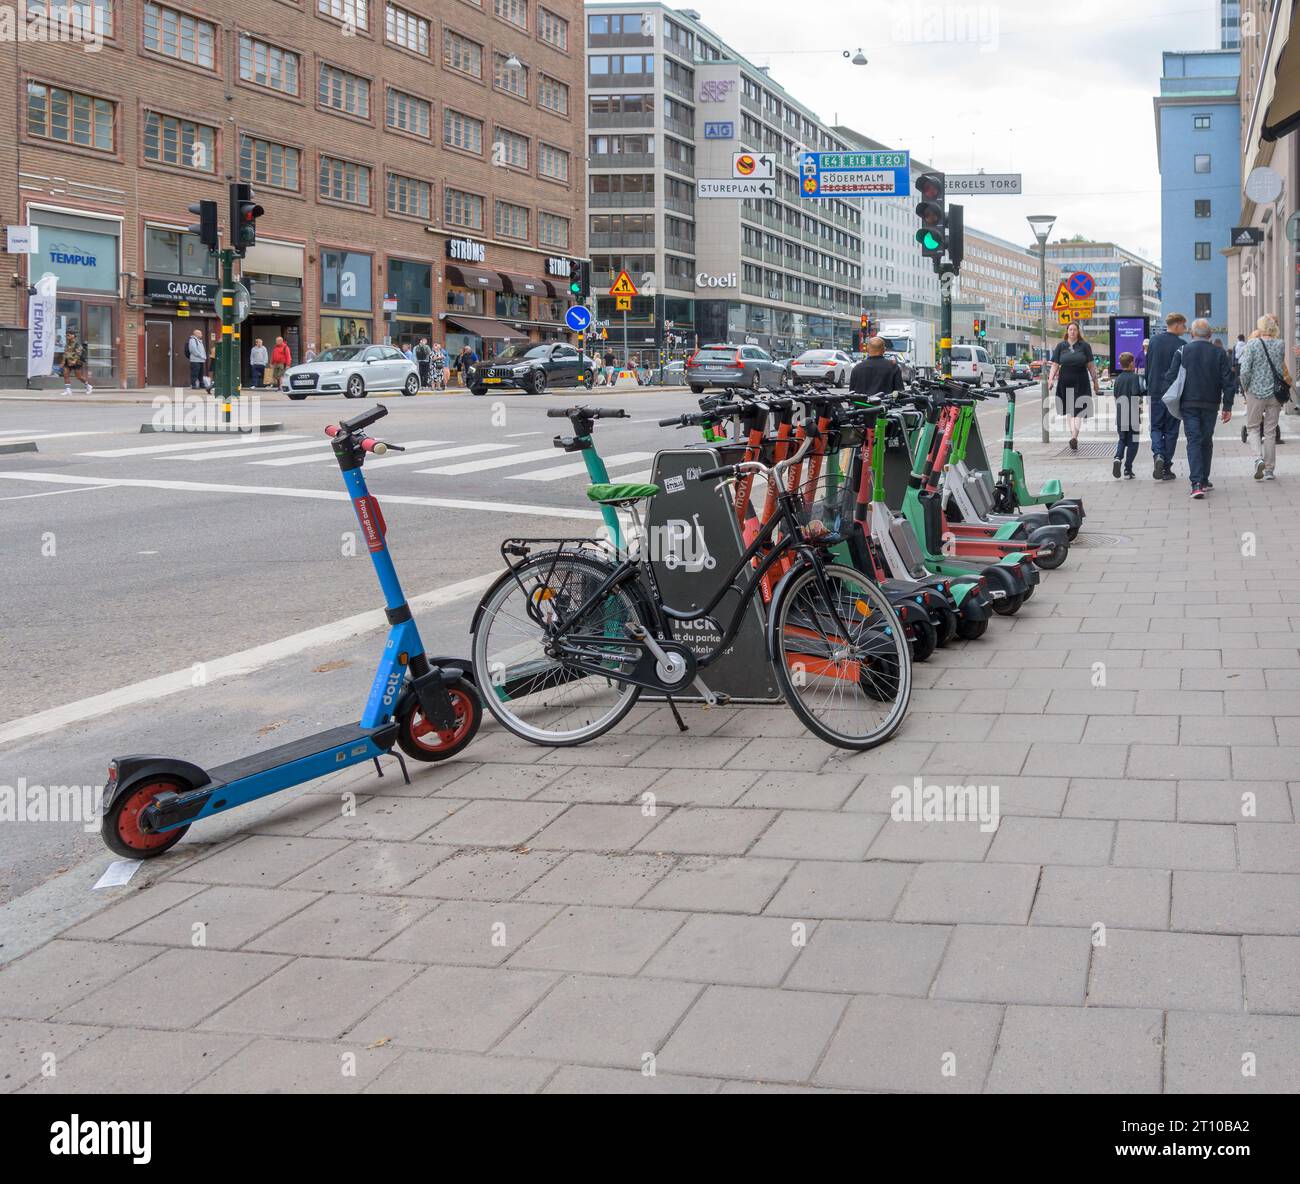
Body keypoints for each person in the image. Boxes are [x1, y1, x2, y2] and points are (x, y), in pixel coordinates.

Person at [1164, 317, 1234, 499]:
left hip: (1189, 403)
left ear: (1192, 333)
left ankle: (1196, 483)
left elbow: (1170, 376)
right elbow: (1228, 381)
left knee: (1193, 440)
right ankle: (1204, 479)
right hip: (1211, 404)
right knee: (1206, 439)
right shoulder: (1219, 353)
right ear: (1210, 334)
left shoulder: (1182, 351)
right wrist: (1227, 405)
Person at [1238, 313, 1292, 481]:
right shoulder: (1280, 344)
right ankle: (1269, 470)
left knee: (1253, 427)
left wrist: (1245, 388)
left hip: (1255, 392)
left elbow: (1245, 370)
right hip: (1275, 394)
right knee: (1270, 432)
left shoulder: (1253, 344)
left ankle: (1258, 458)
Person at [1146, 312, 1188, 481]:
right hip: (1174, 394)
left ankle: (1158, 455)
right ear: (1176, 324)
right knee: (1171, 431)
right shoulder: (1183, 345)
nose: (1185, 329)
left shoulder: (1154, 341)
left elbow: (1148, 366)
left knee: (1156, 427)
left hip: (1155, 390)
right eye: (1184, 325)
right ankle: (1166, 468)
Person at [1047, 321, 1099, 450]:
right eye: (1070, 329)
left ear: (1078, 332)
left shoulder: (1084, 346)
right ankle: (1073, 437)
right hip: (1065, 381)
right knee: (1070, 411)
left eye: (1075, 330)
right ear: (1067, 331)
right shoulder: (1061, 346)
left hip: (1081, 380)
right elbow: (1055, 364)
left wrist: (1095, 382)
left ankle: (1074, 437)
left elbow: (1091, 365)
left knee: (1078, 411)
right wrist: (1050, 379)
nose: (1072, 332)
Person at [1112, 351, 1144, 479]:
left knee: (1122, 439)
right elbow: (1136, 394)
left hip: (1121, 415)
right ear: (1131, 363)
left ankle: (1117, 458)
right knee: (1133, 442)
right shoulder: (1135, 377)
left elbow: (1115, 395)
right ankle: (1128, 469)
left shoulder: (1118, 379)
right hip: (1133, 415)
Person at [60, 331, 91, 396]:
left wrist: (74, 361)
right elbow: (65, 353)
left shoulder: (77, 344)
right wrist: (63, 362)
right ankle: (68, 390)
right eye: (66, 336)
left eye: (68, 335)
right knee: (65, 374)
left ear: (73, 336)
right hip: (68, 361)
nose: (67, 337)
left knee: (78, 376)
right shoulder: (67, 344)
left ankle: (88, 386)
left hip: (77, 362)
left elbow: (78, 353)